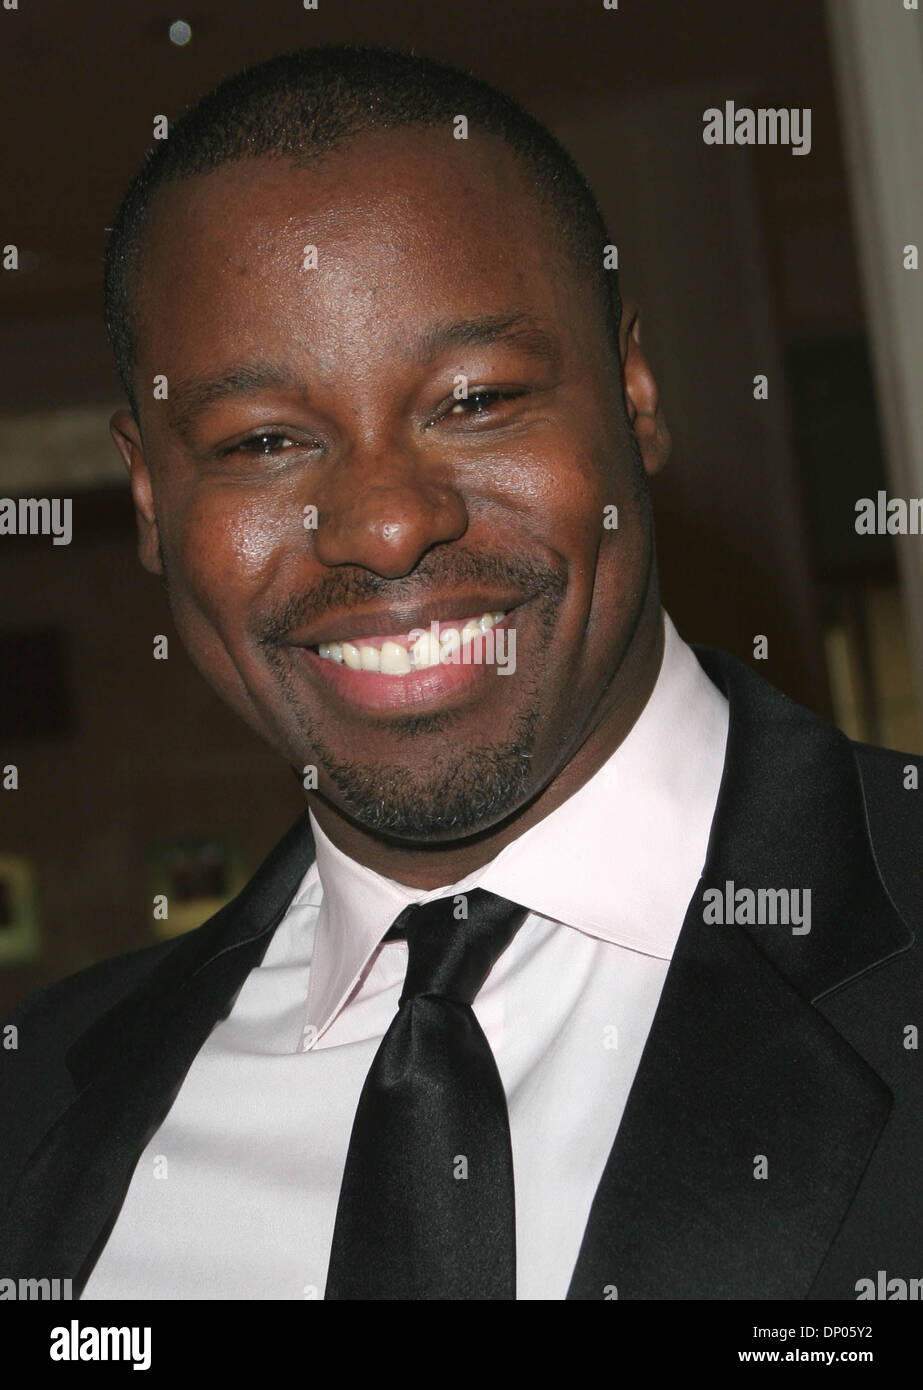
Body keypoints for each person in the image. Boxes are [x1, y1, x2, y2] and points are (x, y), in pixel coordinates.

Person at [1, 44, 920, 1302]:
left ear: (633, 390)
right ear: (152, 497)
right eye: (264, 439)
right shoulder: (32, 1106)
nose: (384, 523)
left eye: (476, 400)